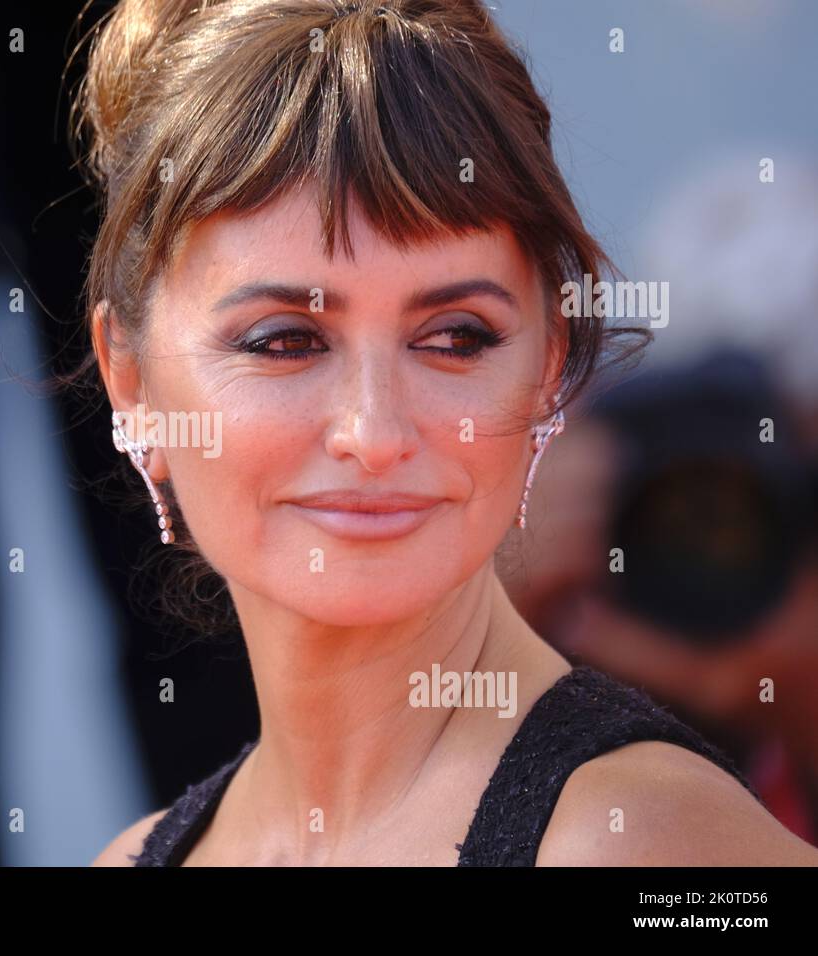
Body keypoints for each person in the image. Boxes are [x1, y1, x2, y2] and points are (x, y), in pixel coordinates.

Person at [66, 0, 818, 865]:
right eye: (285, 341)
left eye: (456, 337)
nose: (374, 432)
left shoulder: (646, 847)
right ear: (130, 380)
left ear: (549, 368)